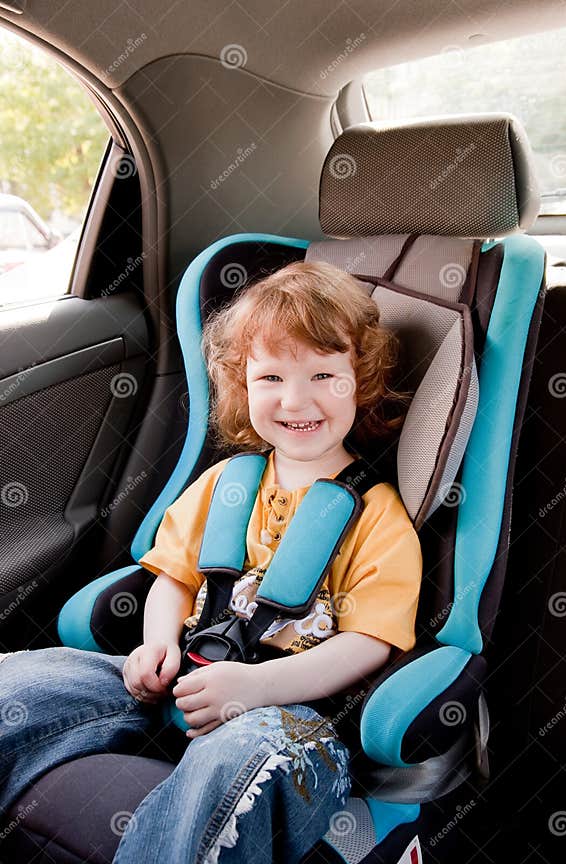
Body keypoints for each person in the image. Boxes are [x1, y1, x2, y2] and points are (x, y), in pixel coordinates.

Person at [0, 260, 422, 864]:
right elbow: (173, 575)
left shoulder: (376, 516)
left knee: (246, 761)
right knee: (20, 684)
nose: (295, 399)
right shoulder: (227, 483)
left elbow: (369, 643)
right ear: (241, 384)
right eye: (271, 377)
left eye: (324, 374)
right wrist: (156, 645)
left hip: (289, 718)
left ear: (363, 380)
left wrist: (255, 686)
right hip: (183, 679)